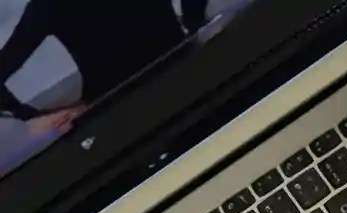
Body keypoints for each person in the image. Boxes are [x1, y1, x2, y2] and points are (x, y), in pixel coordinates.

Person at [0, 0, 209, 135]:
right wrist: (195, 22)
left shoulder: (46, 6)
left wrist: (29, 117)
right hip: (190, 82)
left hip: (117, 120)